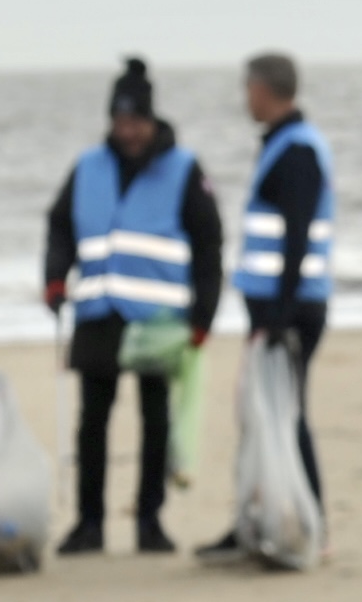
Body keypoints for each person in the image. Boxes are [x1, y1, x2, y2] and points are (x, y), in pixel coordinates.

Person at [38, 56, 219, 555]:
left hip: (158, 318)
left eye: (136, 120)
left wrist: (204, 316)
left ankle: (149, 520)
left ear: (151, 119)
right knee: (92, 421)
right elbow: (59, 226)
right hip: (98, 311)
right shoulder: (87, 167)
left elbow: (209, 245)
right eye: (121, 121)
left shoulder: (183, 169)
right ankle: (89, 523)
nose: (129, 131)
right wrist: (54, 279)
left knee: (155, 418)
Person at [203, 48, 330, 557]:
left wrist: (278, 318)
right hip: (277, 307)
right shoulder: (282, 143)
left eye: (246, 88)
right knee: (261, 415)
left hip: (290, 310)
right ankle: (258, 522)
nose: (244, 98)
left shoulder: (297, 150)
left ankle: (311, 527)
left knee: (286, 415)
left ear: (262, 89)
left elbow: (297, 236)